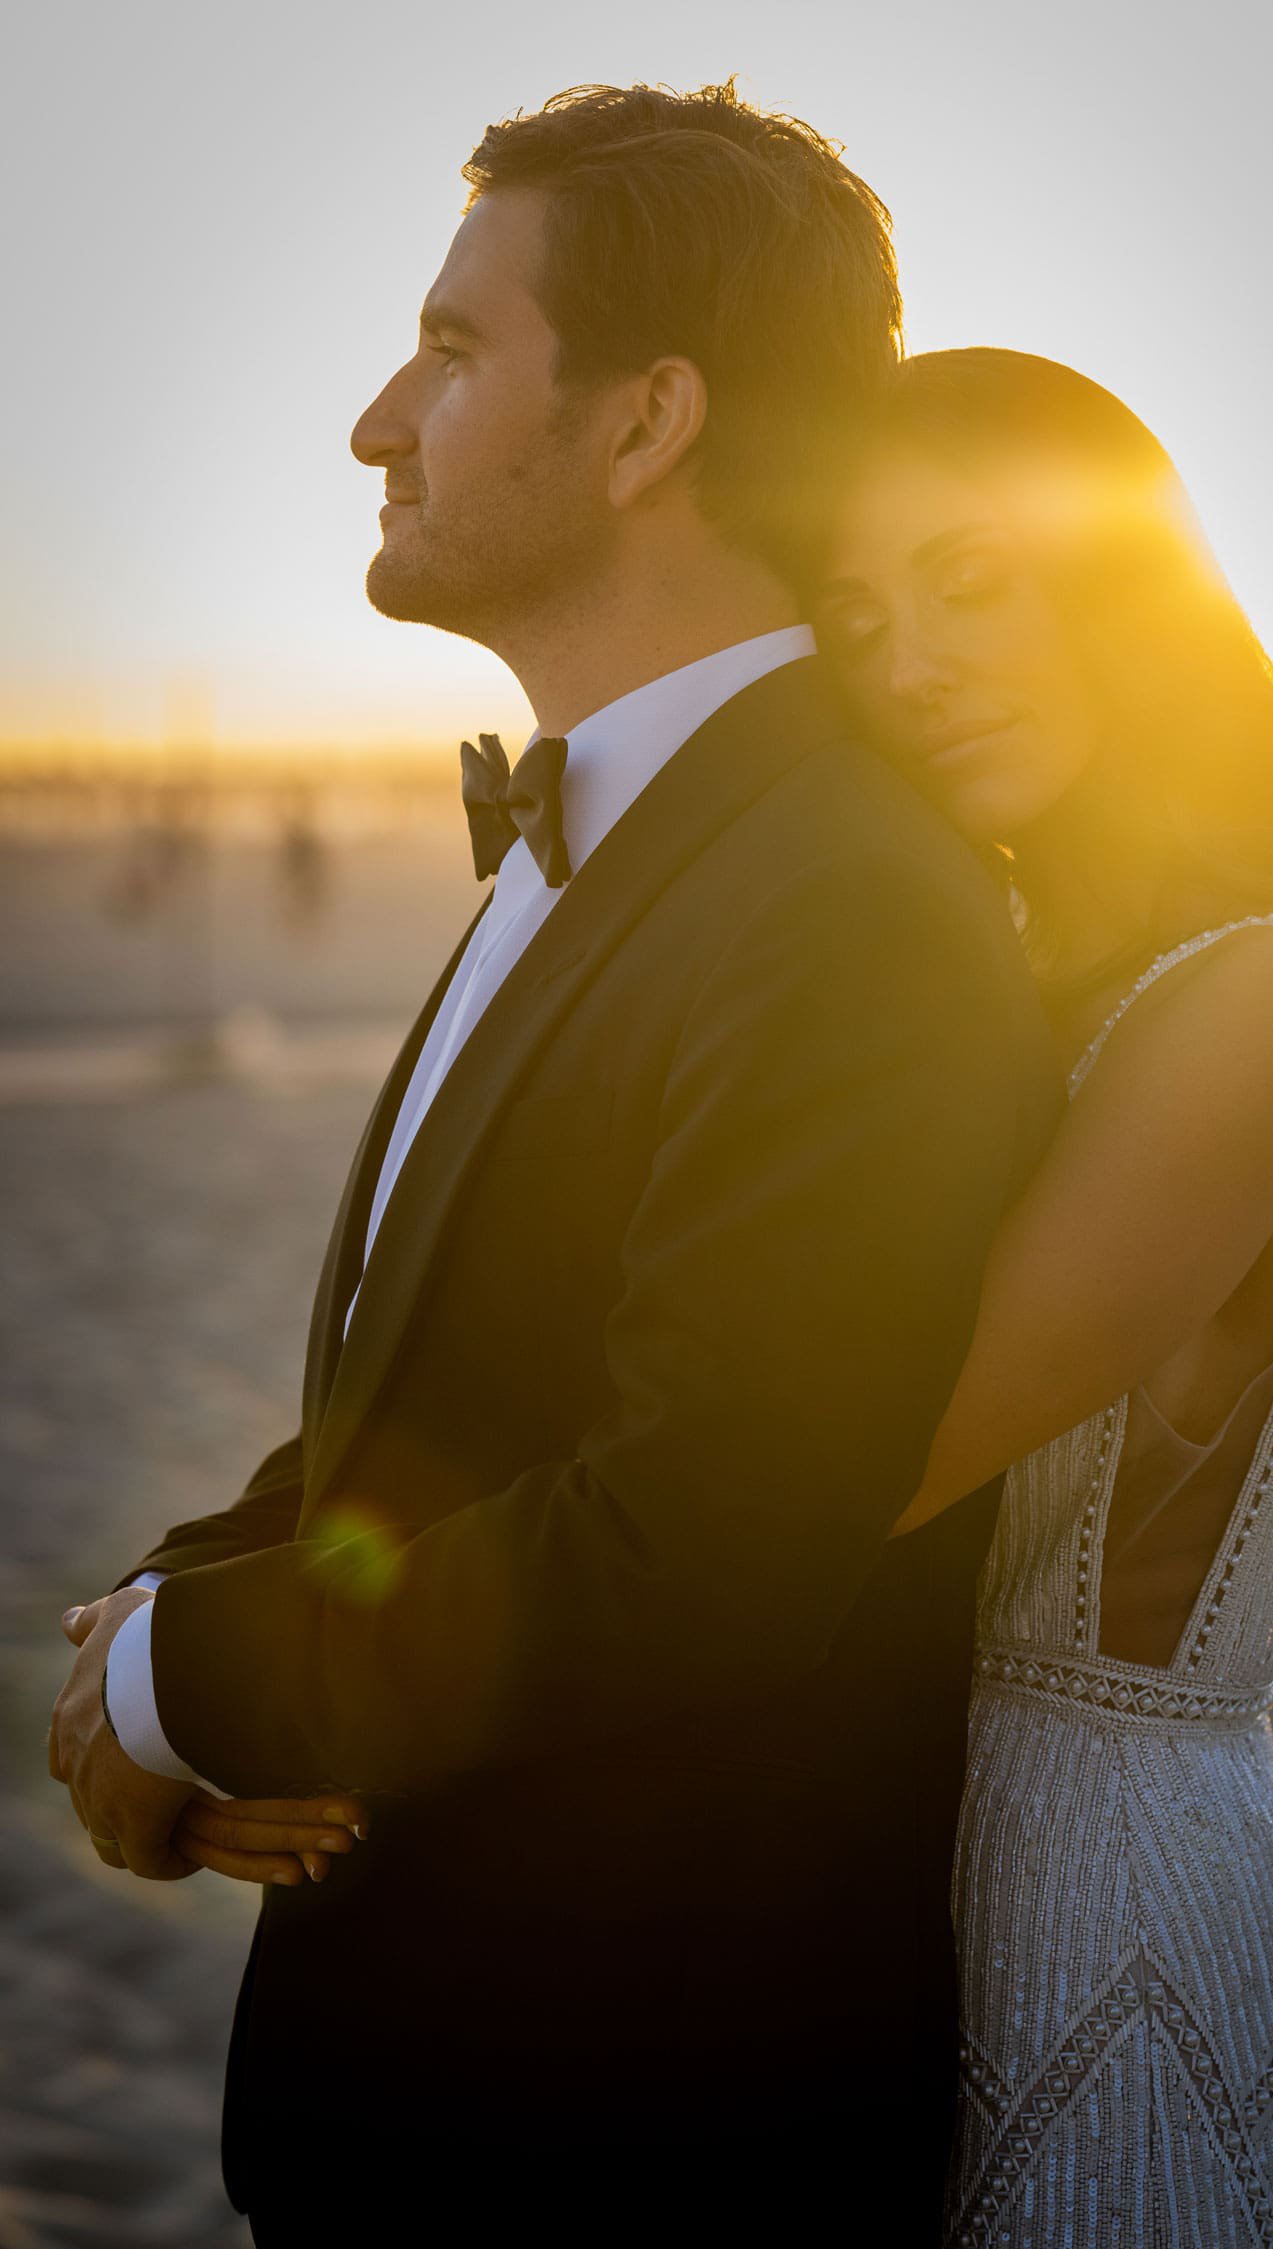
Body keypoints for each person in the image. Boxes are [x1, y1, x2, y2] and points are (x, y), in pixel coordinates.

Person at [46, 93, 1062, 2245]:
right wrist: (164, 1618)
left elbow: (708, 1534)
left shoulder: (844, 898)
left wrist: (185, 1686)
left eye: (447, 347)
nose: (371, 420)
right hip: (431, 2083)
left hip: (620, 2125)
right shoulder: (639, 829)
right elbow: (468, 1378)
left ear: (643, 425)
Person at [811, 346, 1273, 2248]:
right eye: (856, 616)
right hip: (949, 1878)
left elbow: (838, 1463)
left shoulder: (1252, 1001)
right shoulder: (1058, 981)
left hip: (1098, 1915)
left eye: (966, 582)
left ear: (1120, 588)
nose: (910, 661)